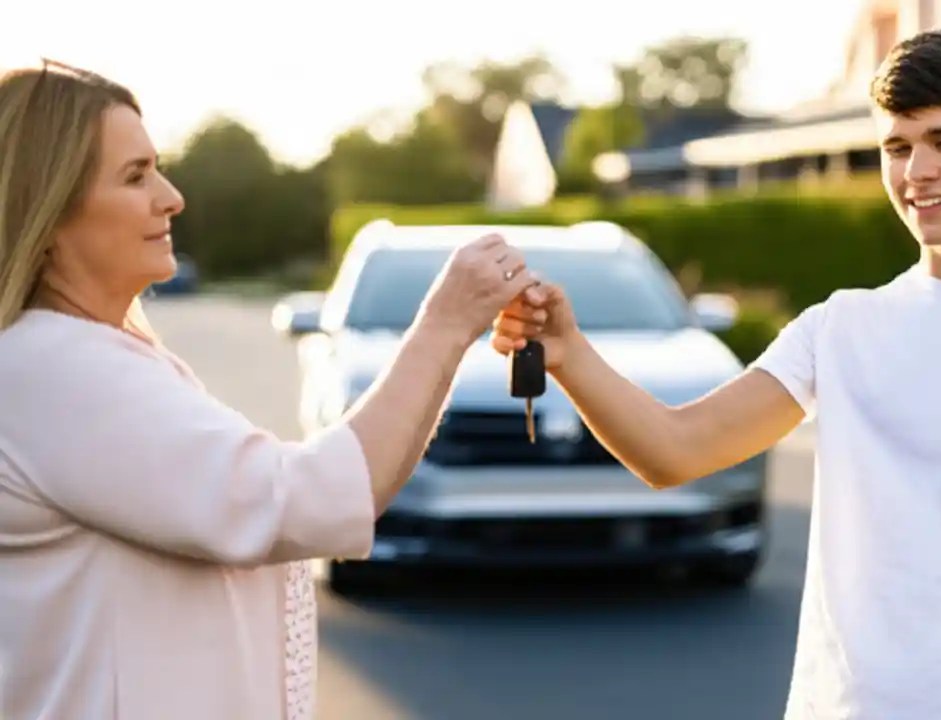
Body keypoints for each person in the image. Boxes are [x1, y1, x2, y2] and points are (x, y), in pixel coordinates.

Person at [492, 29, 941, 720]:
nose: (917, 172)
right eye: (896, 146)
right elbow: (676, 451)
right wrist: (570, 356)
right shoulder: (840, 329)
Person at [0, 60, 545, 720]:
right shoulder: (56, 370)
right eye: (135, 176)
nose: (172, 197)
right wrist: (444, 322)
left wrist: (452, 332)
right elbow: (302, 501)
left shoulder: (78, 359)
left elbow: (329, 495)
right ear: (48, 209)